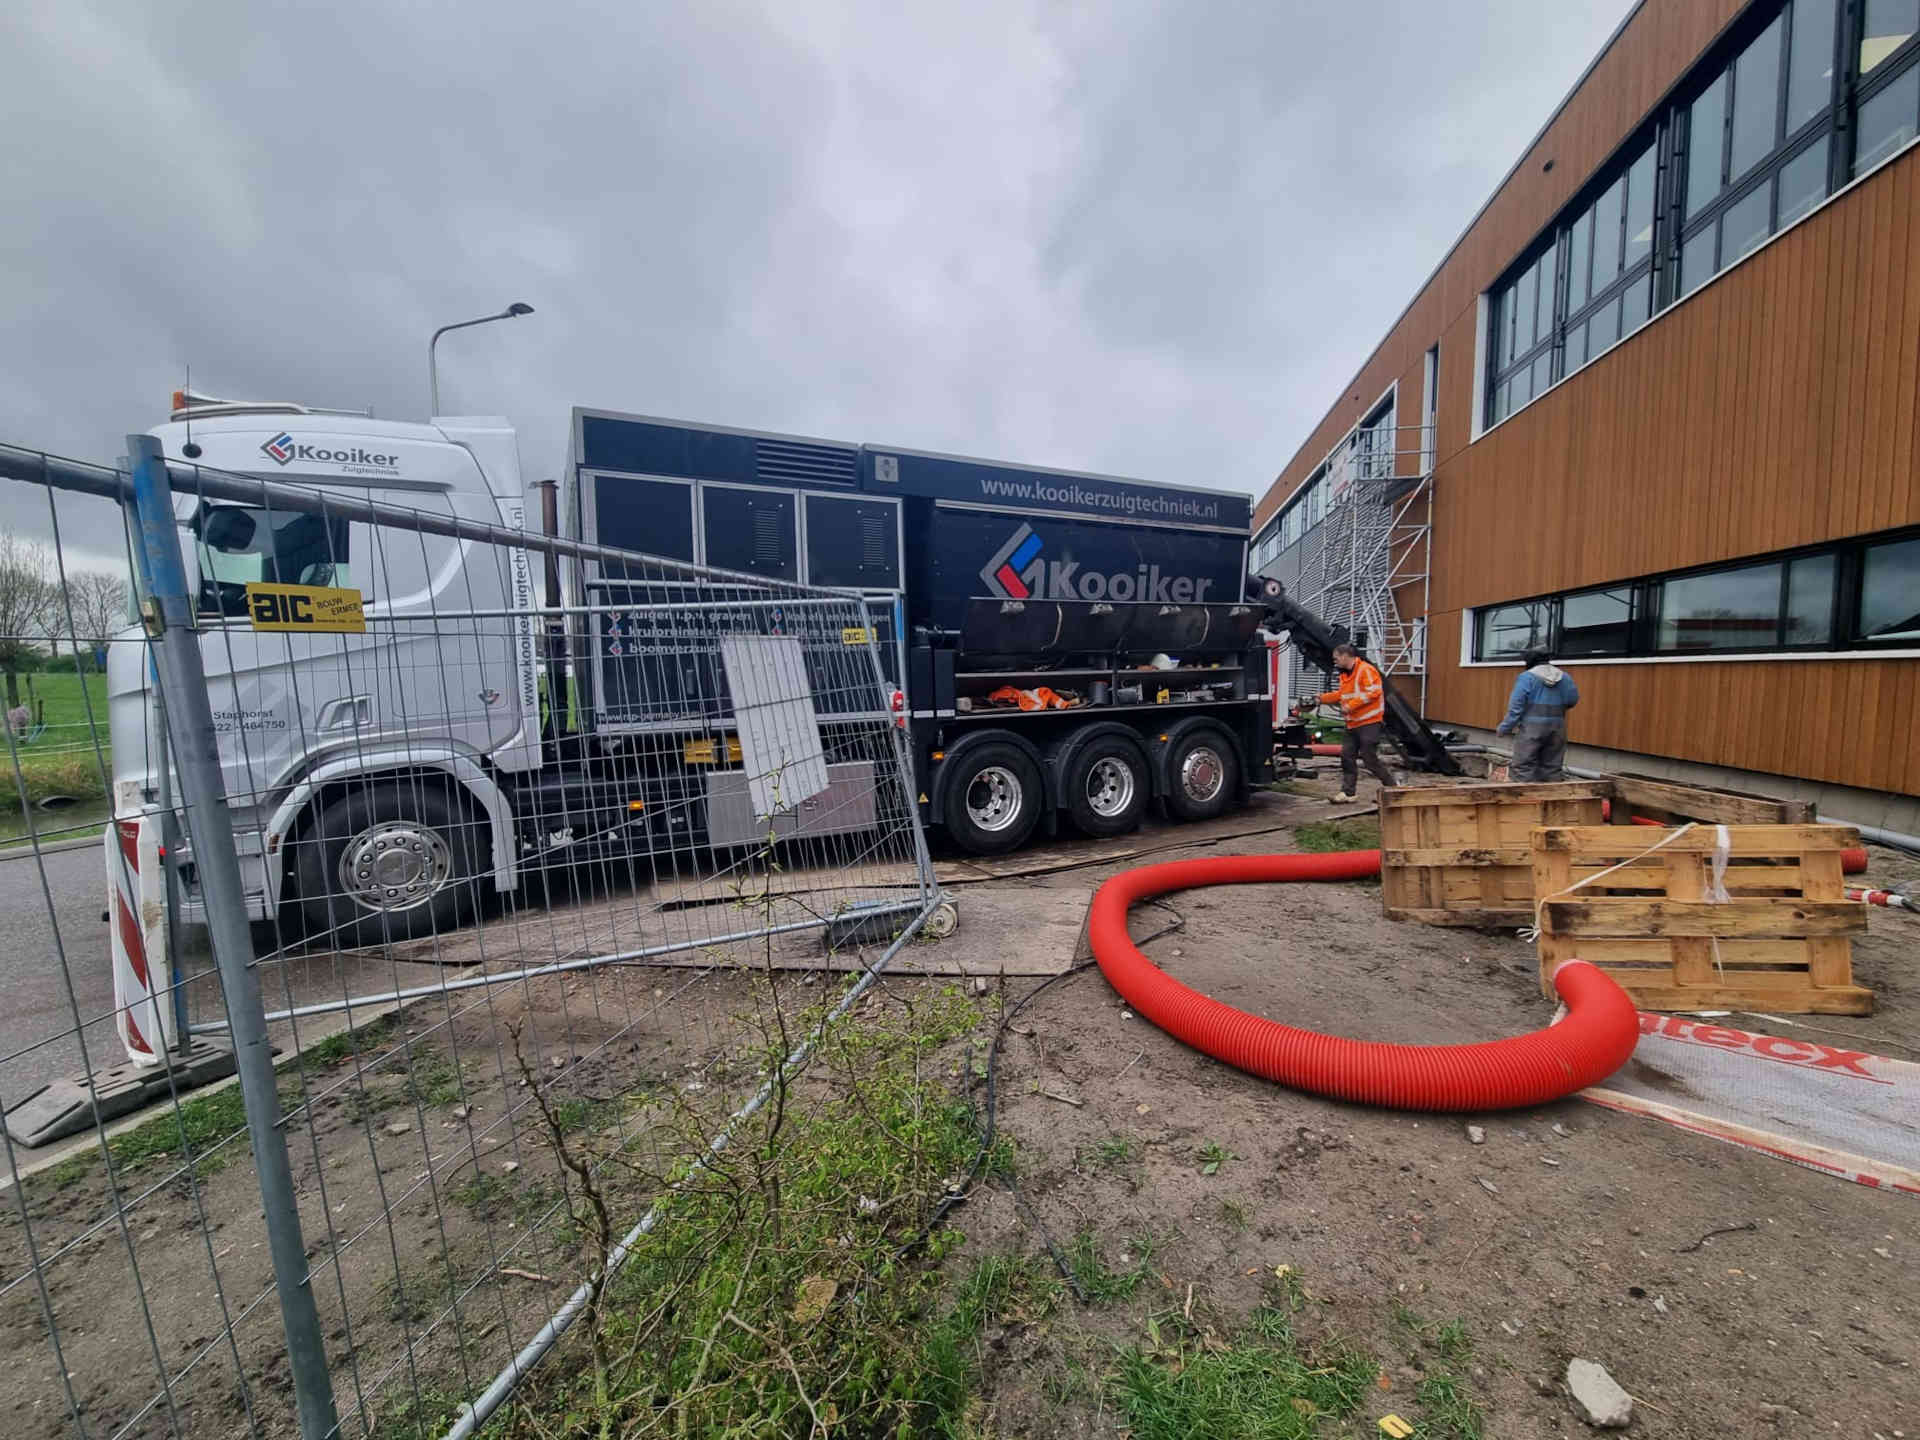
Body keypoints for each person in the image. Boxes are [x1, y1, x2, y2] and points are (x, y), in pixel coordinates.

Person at [1317, 642, 1394, 802]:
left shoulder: (1366, 669)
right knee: (1347, 757)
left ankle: (1393, 788)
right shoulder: (1345, 675)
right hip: (1353, 723)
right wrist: (1321, 699)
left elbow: (1374, 692)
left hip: (1369, 722)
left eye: (1336, 658)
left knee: (1369, 759)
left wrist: (1350, 706)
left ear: (1346, 656)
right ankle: (1348, 793)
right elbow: (1341, 695)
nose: (1334, 661)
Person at [1498, 648, 1580, 782]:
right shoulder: (1564, 677)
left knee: (1523, 768)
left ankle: (1525, 795)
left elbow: (1516, 707)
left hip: (1531, 729)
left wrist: (1504, 728)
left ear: (1530, 661)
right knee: (1552, 767)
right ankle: (1550, 794)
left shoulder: (1527, 677)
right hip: (1557, 727)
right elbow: (1572, 700)